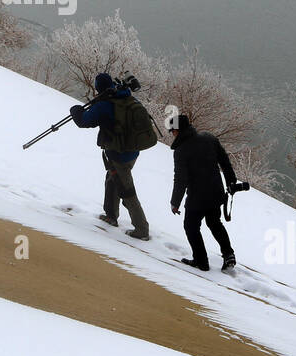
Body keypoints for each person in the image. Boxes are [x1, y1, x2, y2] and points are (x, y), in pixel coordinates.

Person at [70, 72, 150, 240]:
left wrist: (75, 110)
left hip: (118, 154)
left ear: (99, 88)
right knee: (113, 179)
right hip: (133, 151)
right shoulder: (126, 97)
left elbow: (84, 121)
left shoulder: (104, 105)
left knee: (127, 190)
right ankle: (111, 215)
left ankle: (141, 229)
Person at [168, 113, 243, 271]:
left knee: (191, 226)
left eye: (173, 131)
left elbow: (180, 179)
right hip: (216, 192)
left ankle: (201, 261)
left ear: (178, 130)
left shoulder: (181, 151)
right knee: (214, 223)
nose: (172, 134)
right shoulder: (209, 138)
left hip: (197, 196)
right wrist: (231, 181)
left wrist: (175, 202)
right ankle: (229, 254)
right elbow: (225, 161)